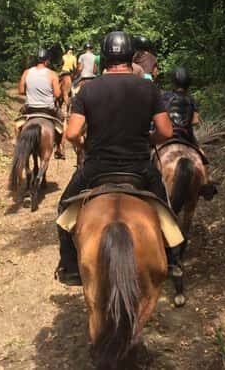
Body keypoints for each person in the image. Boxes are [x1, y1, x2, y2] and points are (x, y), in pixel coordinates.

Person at [56, 31, 179, 285]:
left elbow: (72, 133)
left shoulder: (88, 90)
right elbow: (166, 132)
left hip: (97, 168)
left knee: (64, 209)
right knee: (165, 209)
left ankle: (70, 267)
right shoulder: (148, 88)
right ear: (130, 56)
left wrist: (85, 144)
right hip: (139, 168)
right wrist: (149, 140)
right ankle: (171, 260)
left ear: (104, 58)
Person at [18, 47, 62, 120]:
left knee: (18, 122)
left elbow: (21, 91)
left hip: (30, 108)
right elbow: (57, 94)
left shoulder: (26, 72)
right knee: (62, 120)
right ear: (47, 61)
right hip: (48, 109)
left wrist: (32, 92)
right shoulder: (53, 74)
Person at [161, 67, 200, 147]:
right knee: (200, 152)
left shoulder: (164, 96)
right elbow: (195, 121)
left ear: (173, 82)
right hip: (186, 136)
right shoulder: (191, 99)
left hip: (167, 134)